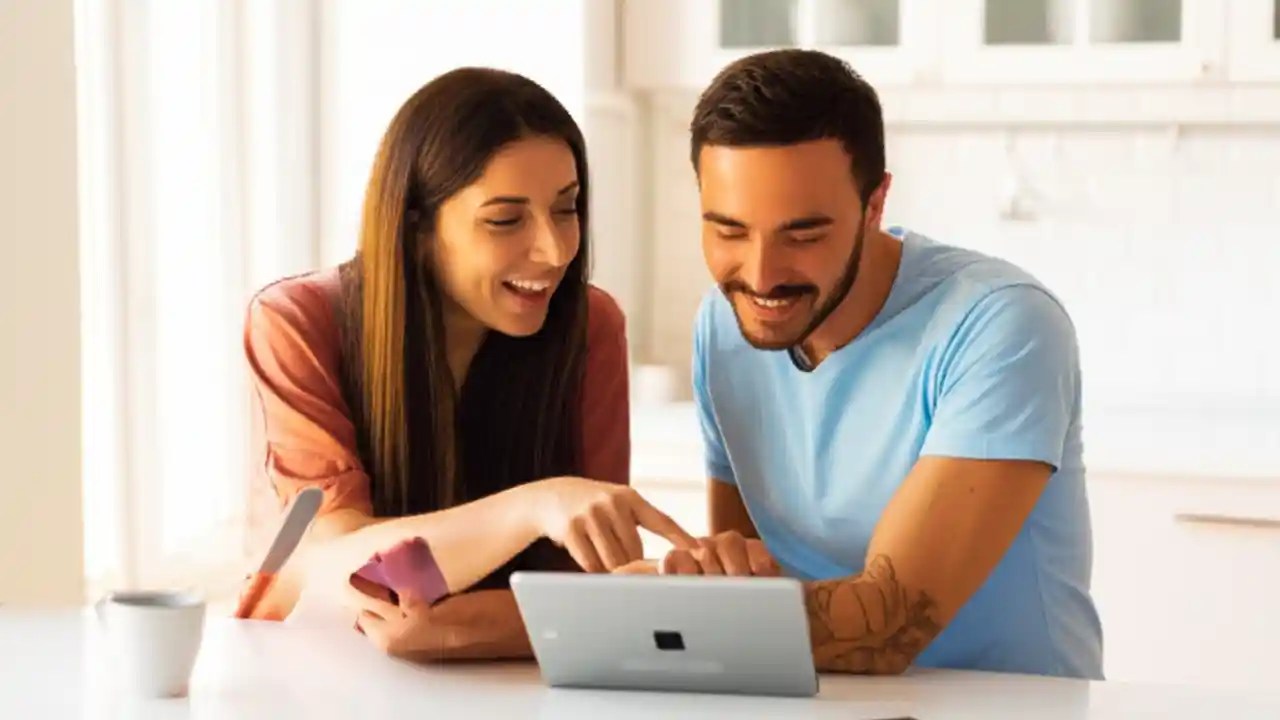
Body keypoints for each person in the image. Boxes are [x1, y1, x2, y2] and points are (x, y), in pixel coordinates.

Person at [630, 49, 1103, 679]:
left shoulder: (1001, 325)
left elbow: (888, 626)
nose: (762, 275)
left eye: (803, 235)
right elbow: (747, 574)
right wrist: (694, 588)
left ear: (875, 204)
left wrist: (649, 617)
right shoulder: (724, 325)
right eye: (729, 231)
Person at [242, 67, 695, 658]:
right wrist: (536, 506)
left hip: (508, 685)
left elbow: (600, 589)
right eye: (505, 220)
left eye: (566, 209)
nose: (555, 250)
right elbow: (345, 569)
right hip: (305, 672)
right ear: (417, 227)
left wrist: (458, 629)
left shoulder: (590, 327)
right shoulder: (297, 322)